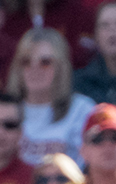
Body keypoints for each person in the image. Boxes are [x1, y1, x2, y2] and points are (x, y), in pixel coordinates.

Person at [11, 28, 96, 167]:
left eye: (45, 62)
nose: (34, 68)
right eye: (26, 61)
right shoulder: (0, 112)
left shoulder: (82, 110)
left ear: (61, 67)